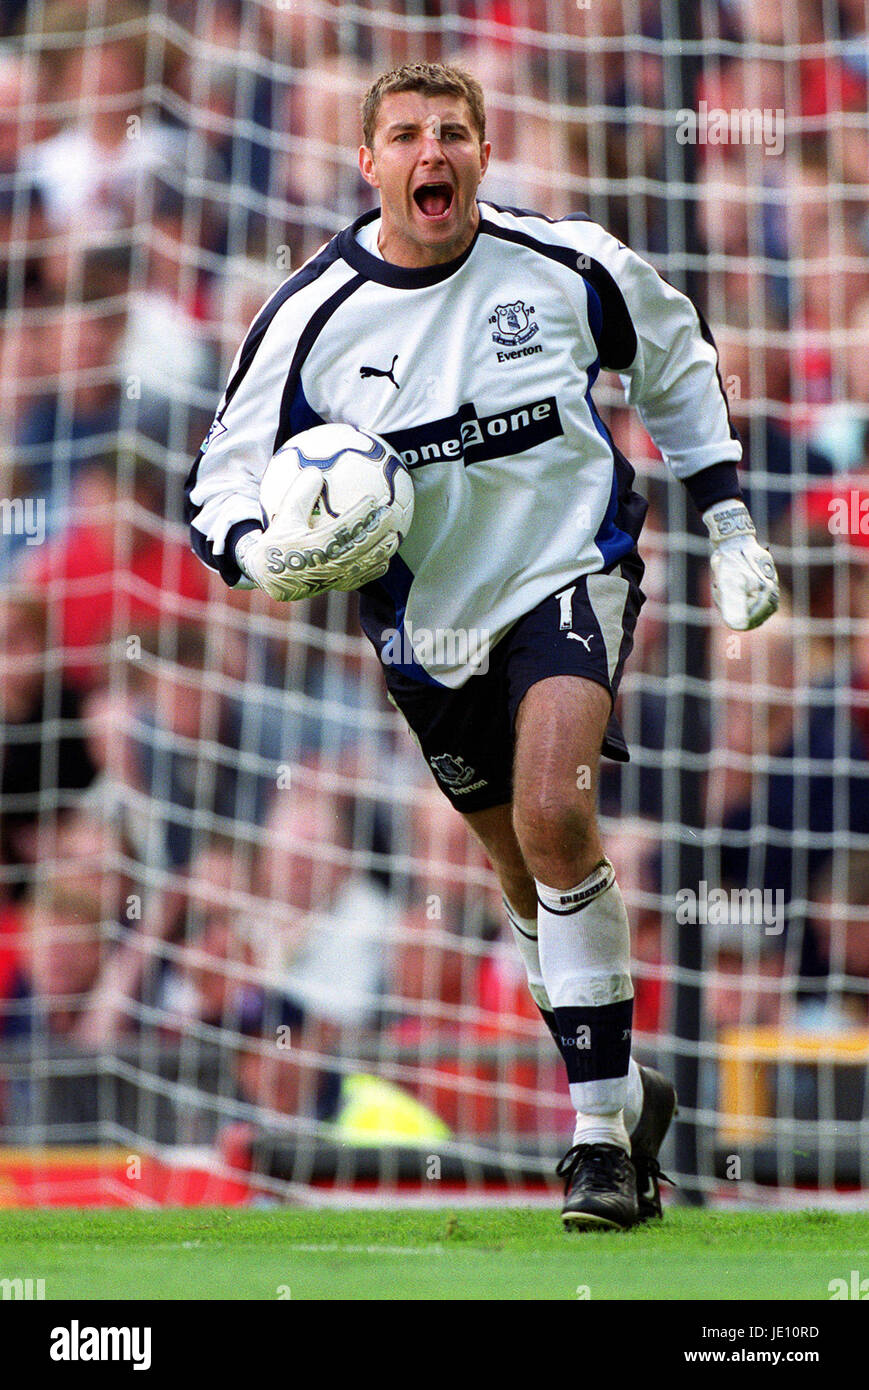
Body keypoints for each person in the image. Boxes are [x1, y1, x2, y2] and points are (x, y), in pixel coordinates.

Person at [185, 62, 780, 1230]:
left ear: (484, 153)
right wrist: (258, 551)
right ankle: (620, 1085)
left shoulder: (567, 266)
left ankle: (596, 1141)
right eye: (404, 135)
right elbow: (220, 478)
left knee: (558, 817)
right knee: (522, 875)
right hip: (427, 630)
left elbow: (675, 355)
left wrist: (725, 521)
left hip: (568, 571)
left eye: (452, 132)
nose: (431, 153)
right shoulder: (311, 316)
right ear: (368, 164)